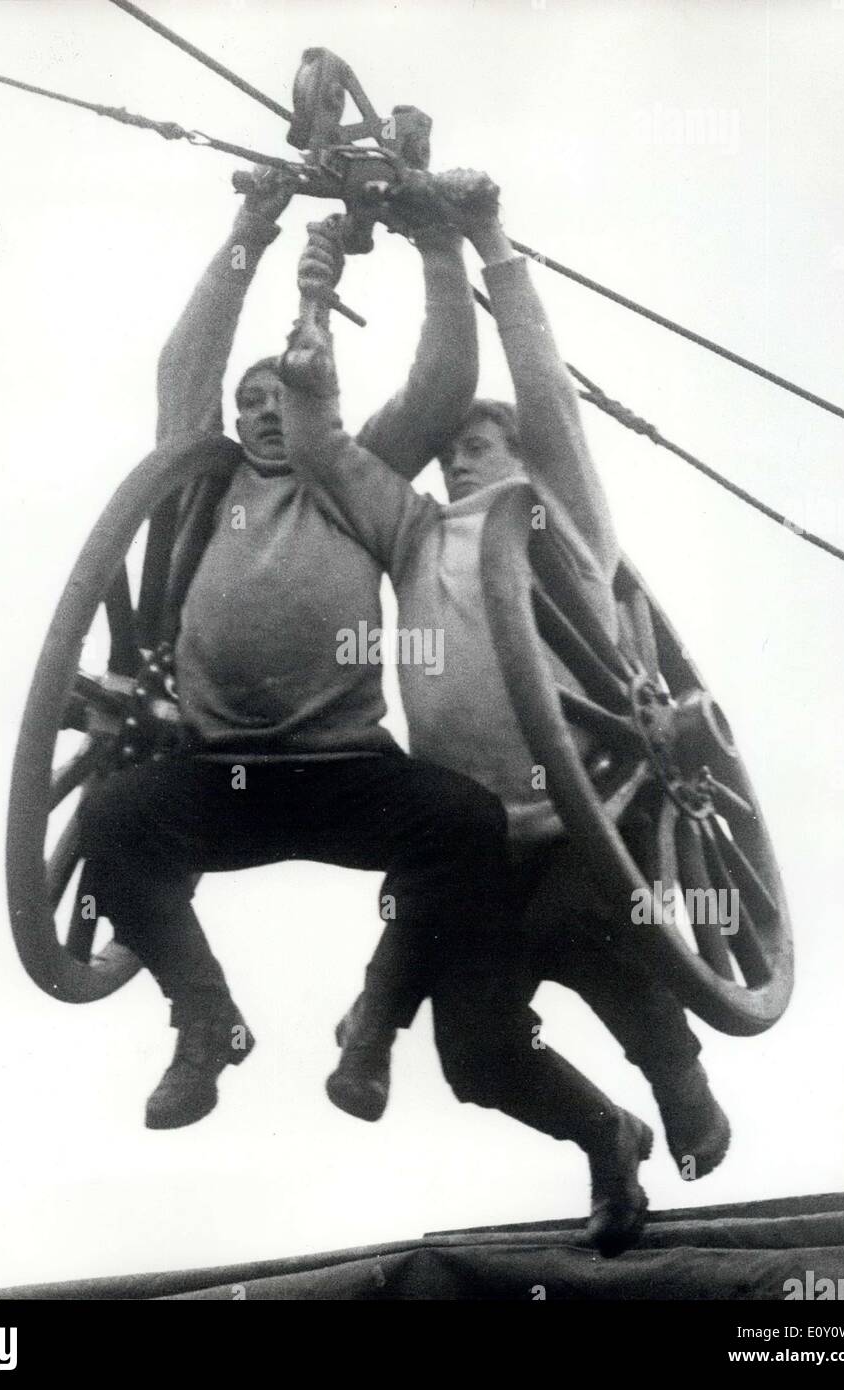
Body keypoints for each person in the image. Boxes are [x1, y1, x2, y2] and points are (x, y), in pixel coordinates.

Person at [280, 182, 730, 1201]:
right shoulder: (415, 537)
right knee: (476, 1055)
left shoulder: (562, 526)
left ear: (524, 461)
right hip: (474, 839)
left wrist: (491, 245)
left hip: (579, 822)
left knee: (584, 932)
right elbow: (323, 453)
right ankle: (607, 1139)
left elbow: (548, 393)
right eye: (446, 456)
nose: (454, 464)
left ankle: (679, 1081)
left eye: (476, 449)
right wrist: (312, 319)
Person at [77, 166, 502, 1134]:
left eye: (283, 394)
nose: (269, 408)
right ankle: (204, 1019)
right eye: (250, 398)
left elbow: (445, 383)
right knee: (112, 825)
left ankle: (376, 1021)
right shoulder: (203, 485)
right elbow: (182, 366)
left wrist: (438, 241)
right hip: (221, 778)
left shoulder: (358, 472)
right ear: (232, 418)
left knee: (469, 825)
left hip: (345, 769)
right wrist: (250, 228)